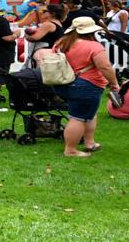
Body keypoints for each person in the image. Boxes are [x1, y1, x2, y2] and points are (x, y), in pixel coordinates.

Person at [41, 17, 122, 159]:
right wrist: (114, 83)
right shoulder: (93, 46)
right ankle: (70, 150)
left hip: (62, 83)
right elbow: (105, 67)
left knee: (89, 113)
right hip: (86, 85)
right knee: (78, 118)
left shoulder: (61, 43)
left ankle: (90, 142)